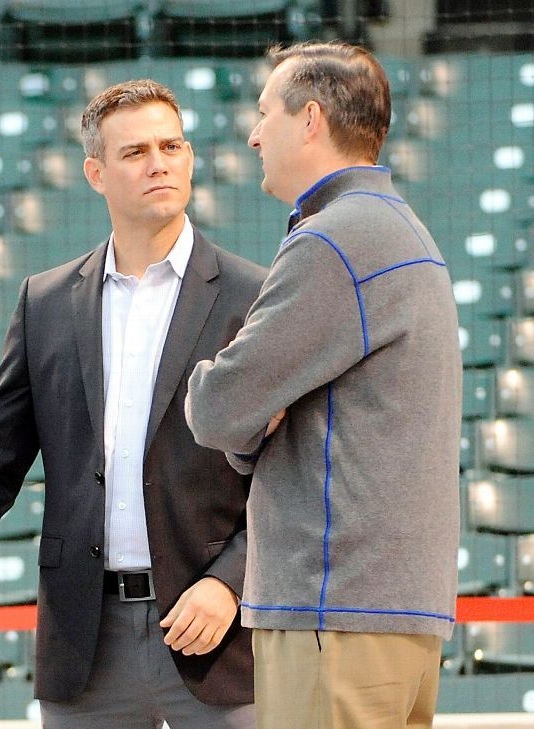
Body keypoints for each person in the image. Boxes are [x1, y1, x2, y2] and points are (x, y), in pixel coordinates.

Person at [0, 80, 266, 728]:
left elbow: (292, 471)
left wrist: (231, 581)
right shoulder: (47, 302)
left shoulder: (253, 296)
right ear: (95, 173)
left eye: (171, 146)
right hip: (84, 640)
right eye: (135, 151)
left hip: (215, 634)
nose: (159, 163)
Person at [185, 41, 461, 729]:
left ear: (310, 120)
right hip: (389, 615)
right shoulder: (399, 229)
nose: (253, 135)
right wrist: (257, 423)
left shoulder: (335, 240)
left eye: (264, 113)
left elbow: (218, 407)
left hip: (333, 611)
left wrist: (221, 392)